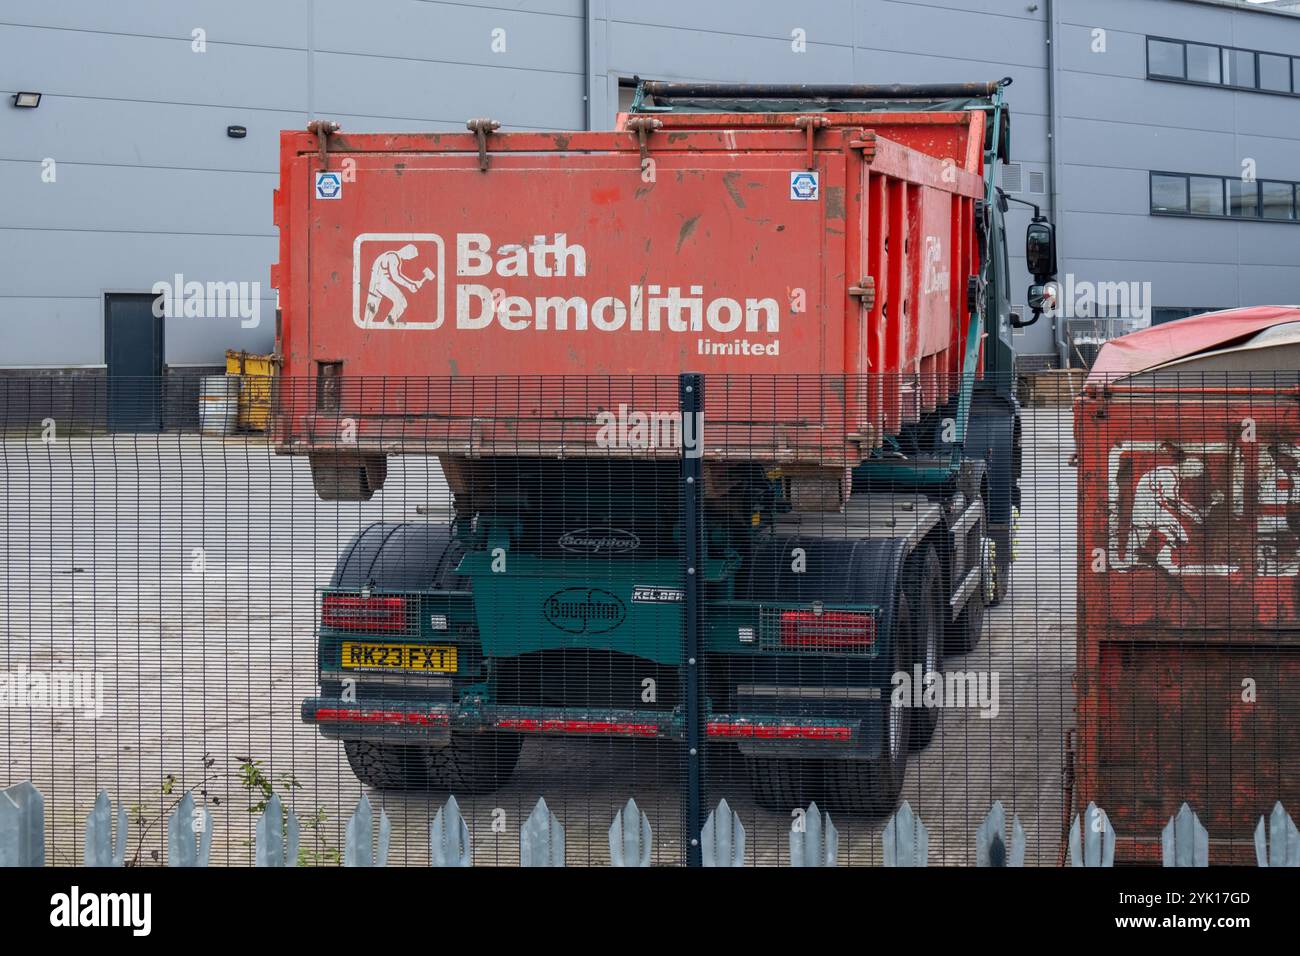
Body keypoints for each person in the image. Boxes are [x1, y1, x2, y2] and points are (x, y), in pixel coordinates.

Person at [364, 244, 432, 325]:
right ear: (408, 252)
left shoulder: (390, 254)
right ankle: (386, 326)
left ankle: (365, 329)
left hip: (375, 280)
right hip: (381, 281)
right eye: (411, 256)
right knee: (401, 303)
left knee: (372, 309)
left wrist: (412, 284)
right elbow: (396, 276)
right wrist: (412, 285)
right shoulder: (394, 257)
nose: (409, 258)